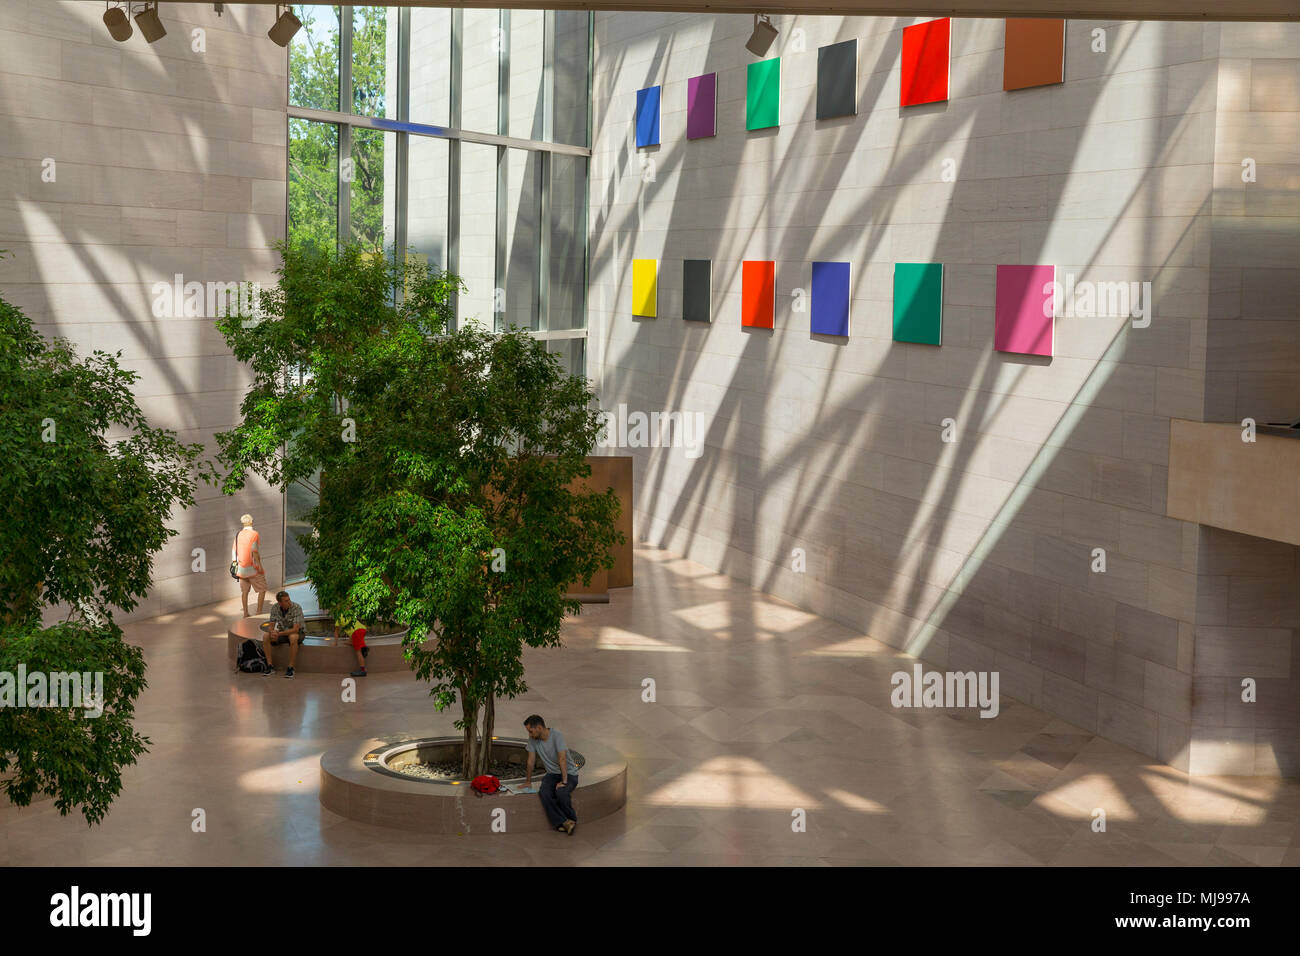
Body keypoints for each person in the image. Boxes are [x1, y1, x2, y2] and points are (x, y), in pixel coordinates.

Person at [522, 715, 580, 834]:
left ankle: (571, 820)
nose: (530, 735)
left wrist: (564, 782)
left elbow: (562, 758)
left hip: (569, 773)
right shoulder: (533, 740)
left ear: (538, 727)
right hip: (552, 774)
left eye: (531, 731)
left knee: (561, 792)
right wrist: (528, 781)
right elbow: (530, 761)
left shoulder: (556, 735)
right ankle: (564, 822)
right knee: (544, 793)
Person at [232, 514, 268, 618]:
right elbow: (255, 551)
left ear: (242, 523)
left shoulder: (238, 534)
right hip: (253, 568)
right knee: (262, 589)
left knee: (244, 591)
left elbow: (234, 551)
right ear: (251, 522)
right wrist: (260, 565)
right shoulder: (254, 534)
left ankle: (245, 613)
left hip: (241, 569)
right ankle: (259, 612)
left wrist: (236, 563)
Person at [264, 590, 305, 679]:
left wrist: (279, 633)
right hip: (282, 633)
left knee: (293, 637)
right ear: (280, 603)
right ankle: (270, 666)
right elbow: (271, 625)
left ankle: (291, 667)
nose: (289, 602)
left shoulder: (296, 607)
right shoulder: (275, 608)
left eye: (289, 599)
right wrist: (272, 632)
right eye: (286, 601)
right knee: (266, 636)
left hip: (298, 633)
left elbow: (295, 629)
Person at [333, 612, 369, 677]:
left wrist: (335, 642)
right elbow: (353, 627)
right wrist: (348, 642)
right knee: (355, 641)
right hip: (362, 629)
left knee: (358, 652)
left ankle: (363, 670)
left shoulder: (338, 619)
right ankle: (363, 646)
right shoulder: (347, 614)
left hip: (356, 632)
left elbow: (336, 631)